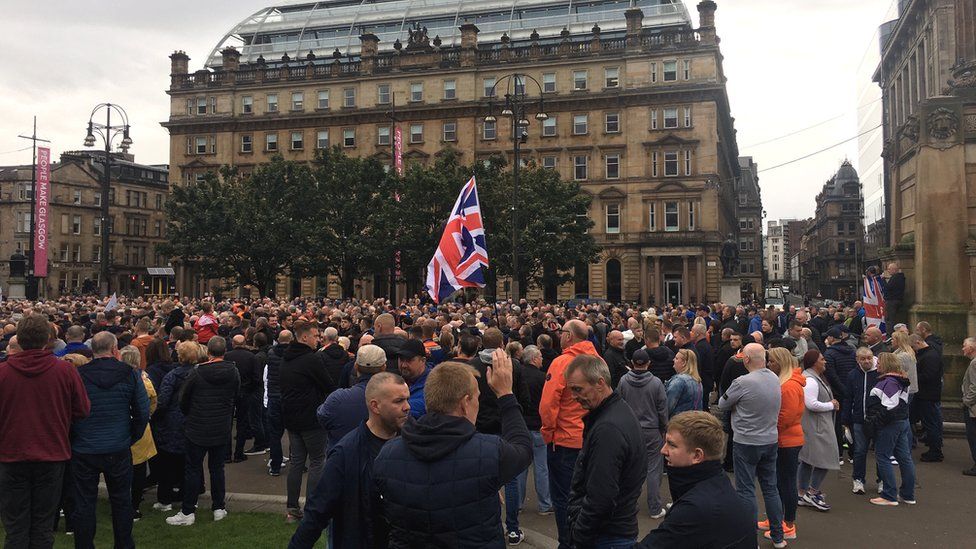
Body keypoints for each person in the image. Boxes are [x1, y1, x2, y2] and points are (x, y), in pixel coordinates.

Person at [372, 353, 533, 547]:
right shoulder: (489, 452)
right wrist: (505, 394)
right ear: (465, 403)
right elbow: (523, 449)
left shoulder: (388, 455)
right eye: (477, 399)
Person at [289, 372, 411, 549]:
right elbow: (318, 510)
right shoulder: (347, 452)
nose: (407, 407)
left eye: (407, 399)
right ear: (375, 406)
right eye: (398, 401)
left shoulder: (414, 442)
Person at [0, 314, 90, 548]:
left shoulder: (3, 373)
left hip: (13, 455)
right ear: (47, 340)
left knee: (16, 526)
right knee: (42, 525)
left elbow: (81, 409)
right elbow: (82, 409)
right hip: (49, 454)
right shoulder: (65, 372)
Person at [71, 331, 151, 548]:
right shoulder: (130, 373)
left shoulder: (79, 374)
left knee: (85, 503)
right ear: (115, 350)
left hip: (89, 446)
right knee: (121, 501)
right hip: (112, 445)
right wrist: (130, 436)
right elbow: (143, 412)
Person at [635, 411, 754, 549]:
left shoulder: (694, 509)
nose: (663, 450)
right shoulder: (717, 481)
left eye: (671, 445)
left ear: (697, 455)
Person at [566, 354, 646, 548]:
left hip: (607, 535)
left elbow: (601, 496)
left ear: (600, 383)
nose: (574, 397)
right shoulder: (617, 413)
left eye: (578, 389)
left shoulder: (608, 429)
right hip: (615, 530)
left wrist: (580, 533)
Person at [167, 336, 241, 526]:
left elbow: (183, 399)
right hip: (217, 426)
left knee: (193, 469)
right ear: (224, 352)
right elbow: (235, 396)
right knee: (216, 468)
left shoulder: (200, 372)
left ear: (208, 352)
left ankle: (189, 510)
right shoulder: (232, 371)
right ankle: (218, 507)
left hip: (199, 426)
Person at [540, 318, 600, 549]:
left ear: (568, 336)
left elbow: (548, 405)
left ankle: (568, 543)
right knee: (589, 497)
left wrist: (548, 433)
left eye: (561, 331)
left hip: (564, 441)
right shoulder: (597, 360)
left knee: (564, 499)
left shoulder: (562, 362)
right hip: (590, 438)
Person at [718, 342, 785, 548]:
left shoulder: (742, 382)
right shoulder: (774, 377)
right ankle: (778, 536)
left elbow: (722, 403)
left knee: (746, 490)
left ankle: (749, 539)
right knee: (770, 488)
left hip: (747, 441)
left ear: (745, 359)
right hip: (770, 440)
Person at [280, 321, 337, 523]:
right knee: (316, 461)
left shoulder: (285, 358)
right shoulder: (310, 359)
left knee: (296, 462)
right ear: (304, 337)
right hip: (311, 417)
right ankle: (313, 507)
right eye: (315, 336)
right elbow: (328, 384)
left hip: (292, 416)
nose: (318, 339)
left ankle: (292, 508)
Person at [616, 348, 668, 519]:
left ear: (632, 363)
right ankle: (654, 508)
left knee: (630, 468)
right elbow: (662, 409)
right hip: (652, 431)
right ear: (649, 363)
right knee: (653, 470)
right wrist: (664, 429)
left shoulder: (624, 381)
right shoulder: (656, 383)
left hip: (630, 430)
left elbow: (618, 404)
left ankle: (627, 505)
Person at [758, 347, 804, 542]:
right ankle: (776, 518)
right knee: (777, 482)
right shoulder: (785, 383)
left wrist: (768, 424)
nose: (769, 365)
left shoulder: (789, 386)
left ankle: (788, 524)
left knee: (786, 483)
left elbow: (786, 416)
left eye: (772, 362)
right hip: (781, 438)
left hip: (787, 440)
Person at [152, 341, 204, 512]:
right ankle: (188, 496)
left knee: (167, 463)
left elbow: (163, 401)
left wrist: (157, 418)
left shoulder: (173, 376)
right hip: (192, 421)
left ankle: (165, 499)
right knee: (189, 463)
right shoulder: (200, 374)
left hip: (173, 423)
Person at [865, 353, 916, 506]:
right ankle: (907, 494)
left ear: (886, 364)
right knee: (904, 458)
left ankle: (889, 495)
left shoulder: (889, 382)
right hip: (901, 422)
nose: (877, 365)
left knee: (883, 456)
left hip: (890, 425)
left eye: (879, 362)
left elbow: (889, 407)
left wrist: (875, 422)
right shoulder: (900, 381)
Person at [317, 344, 388, 451]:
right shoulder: (395, 397)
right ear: (384, 367)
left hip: (342, 459)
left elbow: (322, 417)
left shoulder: (337, 399)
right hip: (380, 459)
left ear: (356, 366)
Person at [795, 349, 840, 513]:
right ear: (814, 362)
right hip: (818, 426)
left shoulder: (811, 377)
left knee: (808, 460)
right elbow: (811, 403)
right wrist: (831, 405)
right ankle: (812, 492)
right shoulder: (811, 380)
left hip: (815, 425)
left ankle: (802, 493)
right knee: (825, 459)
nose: (825, 361)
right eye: (822, 359)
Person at [120, 345, 158, 521]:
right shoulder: (143, 379)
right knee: (138, 470)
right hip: (138, 427)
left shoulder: (121, 378)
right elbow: (152, 401)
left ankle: (125, 504)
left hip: (122, 427)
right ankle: (133, 505)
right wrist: (148, 415)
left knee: (124, 470)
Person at [911, 334, 943, 462]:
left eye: (913, 346)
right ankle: (934, 449)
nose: (914, 349)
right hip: (925, 394)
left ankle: (935, 451)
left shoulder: (930, 356)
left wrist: (913, 376)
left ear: (918, 342)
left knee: (931, 424)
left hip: (928, 395)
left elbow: (929, 376)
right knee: (929, 423)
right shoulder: (928, 354)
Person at [265, 329, 292, 476]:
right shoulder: (294, 355)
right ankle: (297, 464)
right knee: (294, 432)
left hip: (274, 396)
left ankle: (275, 464)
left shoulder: (271, 353)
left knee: (274, 433)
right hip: (289, 396)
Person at [397, 338, 432, 418]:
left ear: (423, 361)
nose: (404, 365)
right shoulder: (396, 382)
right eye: (401, 360)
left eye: (409, 360)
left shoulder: (432, 387)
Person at [665, 349, 702, 417]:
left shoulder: (679, 381)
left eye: (676, 358)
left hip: (679, 422)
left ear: (684, 362)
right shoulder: (698, 381)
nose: (673, 360)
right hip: (694, 421)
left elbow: (668, 407)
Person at [960, 337, 976, 476]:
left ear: (971, 348)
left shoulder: (974, 363)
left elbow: (974, 386)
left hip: (972, 408)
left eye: (965, 346)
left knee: (973, 436)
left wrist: (966, 401)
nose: (963, 348)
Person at [881, 262, 905, 337]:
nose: (888, 271)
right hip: (897, 300)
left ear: (894, 270)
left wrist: (883, 279)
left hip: (892, 301)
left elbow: (888, 288)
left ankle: (889, 336)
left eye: (889, 269)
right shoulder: (900, 278)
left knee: (889, 320)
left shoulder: (896, 277)